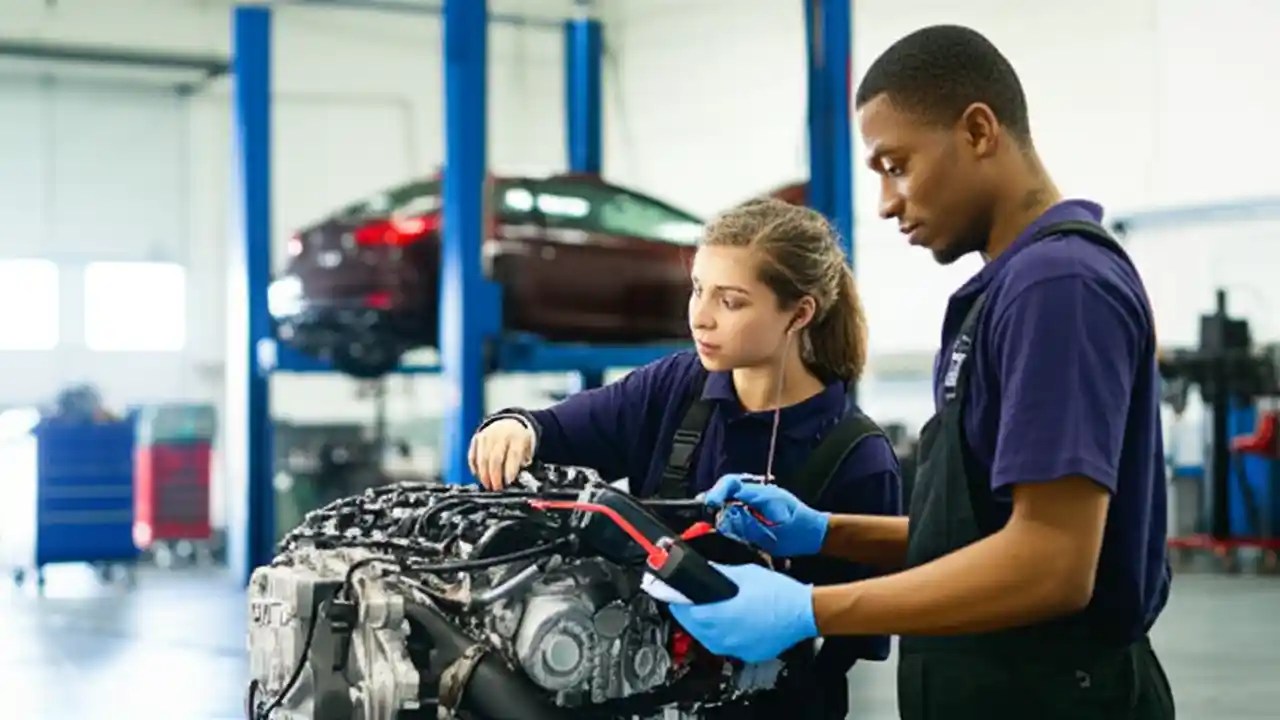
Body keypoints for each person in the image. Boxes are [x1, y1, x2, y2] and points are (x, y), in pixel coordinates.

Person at [666, 24, 1177, 720]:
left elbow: (1051, 563)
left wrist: (813, 609)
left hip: (1051, 696)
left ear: (977, 131)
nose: (885, 202)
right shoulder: (1010, 290)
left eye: (896, 164)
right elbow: (985, 535)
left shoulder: (1058, 287)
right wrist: (825, 532)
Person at [468, 197, 903, 718]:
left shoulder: (858, 456)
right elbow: (554, 429)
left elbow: (860, 636)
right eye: (698, 289)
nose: (701, 316)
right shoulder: (674, 388)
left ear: (800, 313)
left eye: (731, 301)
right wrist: (515, 427)